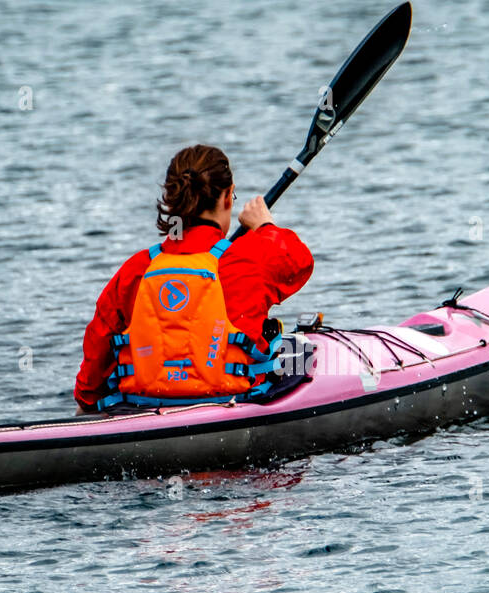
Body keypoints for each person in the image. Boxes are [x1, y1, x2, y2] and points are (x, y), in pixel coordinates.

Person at [74, 144, 313, 413]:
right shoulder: (248, 260)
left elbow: (98, 344)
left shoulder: (138, 268)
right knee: (302, 351)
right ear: (227, 197)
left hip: (141, 406)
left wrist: (87, 403)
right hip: (233, 403)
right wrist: (263, 225)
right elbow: (300, 262)